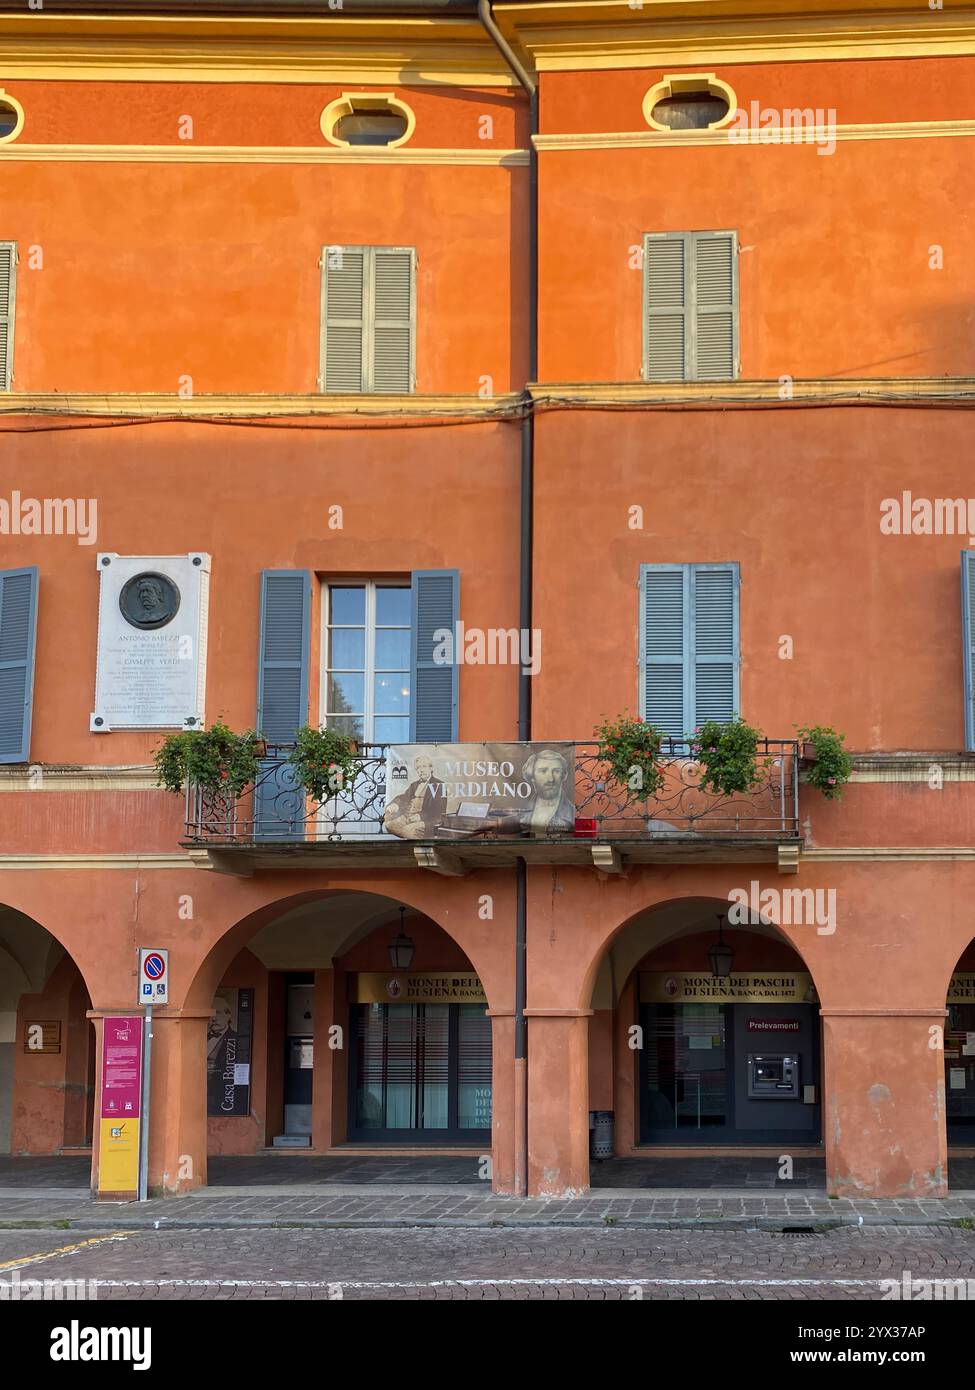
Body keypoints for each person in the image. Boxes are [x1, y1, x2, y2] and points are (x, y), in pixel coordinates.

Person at [383, 753, 446, 839]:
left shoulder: (440, 785)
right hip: (406, 818)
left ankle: (418, 843)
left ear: (431, 768)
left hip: (426, 820)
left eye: (424, 766)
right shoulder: (414, 785)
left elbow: (439, 810)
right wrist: (395, 805)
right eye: (418, 767)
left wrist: (420, 816)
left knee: (407, 830)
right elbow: (404, 797)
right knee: (389, 825)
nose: (421, 770)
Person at [520, 748, 574, 834]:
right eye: (543, 771)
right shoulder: (523, 810)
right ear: (532, 776)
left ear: (563, 776)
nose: (550, 779)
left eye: (556, 771)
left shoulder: (571, 812)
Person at [206, 993, 239, 1114]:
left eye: (218, 1013)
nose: (213, 1018)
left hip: (222, 1093)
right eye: (211, 1014)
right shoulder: (202, 1037)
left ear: (228, 1015)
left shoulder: (236, 1038)